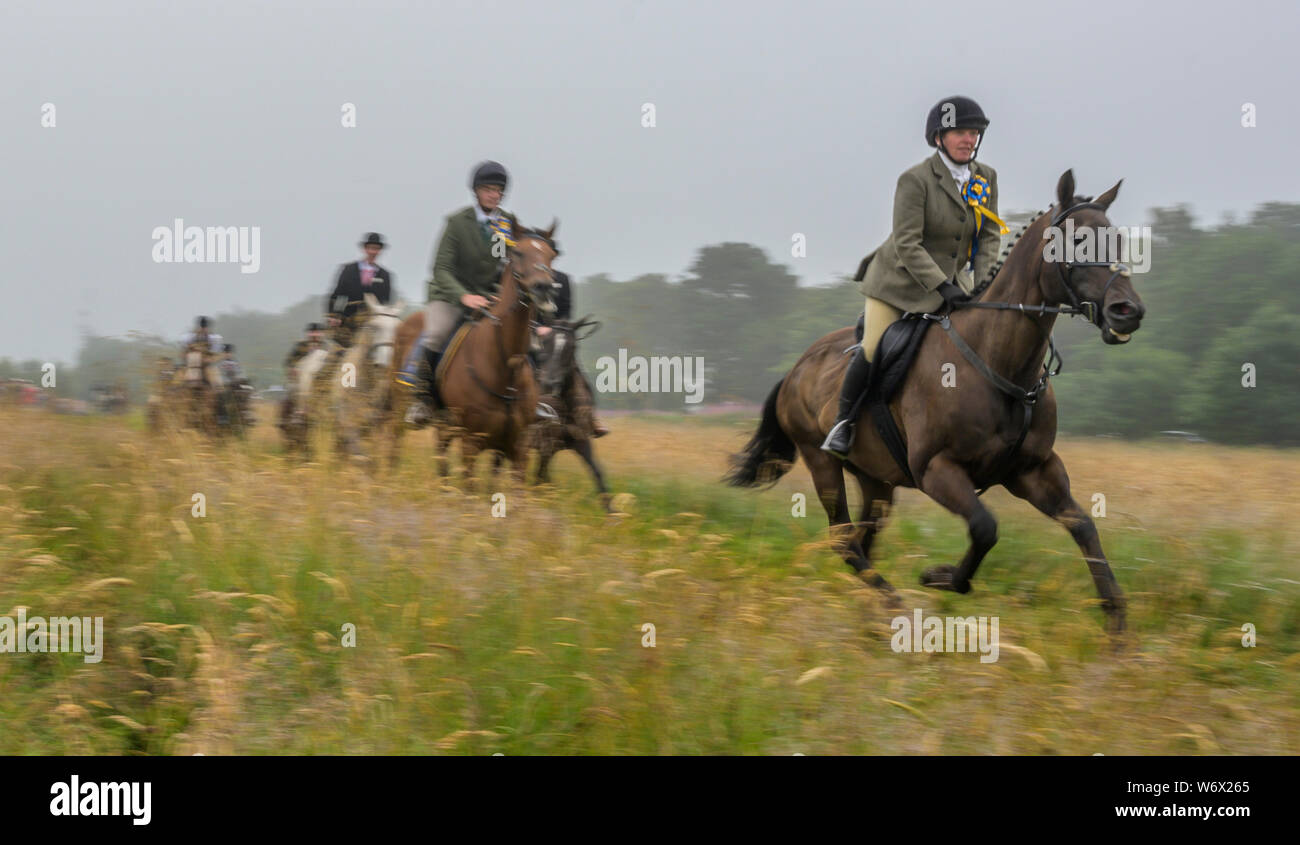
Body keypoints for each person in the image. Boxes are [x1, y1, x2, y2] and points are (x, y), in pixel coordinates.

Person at [822, 95, 1008, 458]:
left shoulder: (986, 177)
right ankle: (843, 424)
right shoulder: (915, 180)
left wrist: (983, 286)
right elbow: (908, 244)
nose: (968, 140)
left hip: (957, 286)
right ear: (939, 138)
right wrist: (942, 286)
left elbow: (987, 237)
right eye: (960, 133)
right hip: (899, 283)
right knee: (874, 345)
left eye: (974, 133)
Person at [397, 160, 554, 426]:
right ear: (476, 191)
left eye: (499, 191)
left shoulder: (505, 225)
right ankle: (423, 400)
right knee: (436, 333)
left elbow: (511, 262)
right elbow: (441, 268)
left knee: (524, 337)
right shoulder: (457, 223)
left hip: (488, 296)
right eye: (489, 189)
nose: (495, 195)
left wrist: (502, 292)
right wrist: (464, 296)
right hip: (449, 295)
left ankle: (533, 401)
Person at [535, 262, 608, 438]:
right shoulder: (529, 278)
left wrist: (559, 329)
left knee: (577, 369)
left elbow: (566, 311)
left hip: (558, 335)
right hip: (533, 334)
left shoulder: (563, 279)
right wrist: (536, 327)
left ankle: (590, 417)